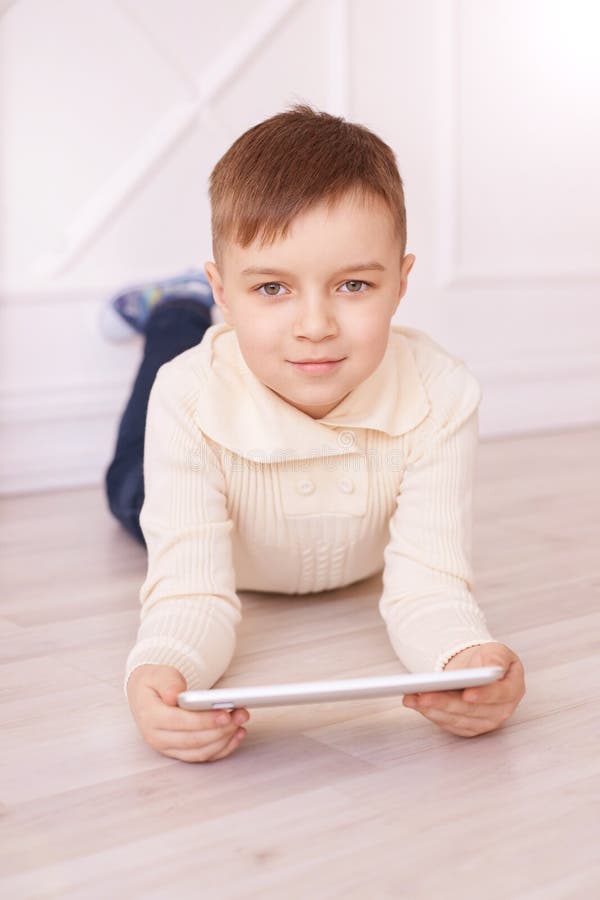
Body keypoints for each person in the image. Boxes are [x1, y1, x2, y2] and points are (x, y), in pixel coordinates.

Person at [104, 103, 526, 764]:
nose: (315, 325)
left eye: (353, 283)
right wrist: (162, 672)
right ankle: (176, 311)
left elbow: (430, 582)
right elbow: (189, 589)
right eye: (272, 287)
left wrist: (465, 660)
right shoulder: (188, 398)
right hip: (193, 480)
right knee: (129, 479)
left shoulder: (442, 393)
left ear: (400, 284)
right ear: (227, 289)